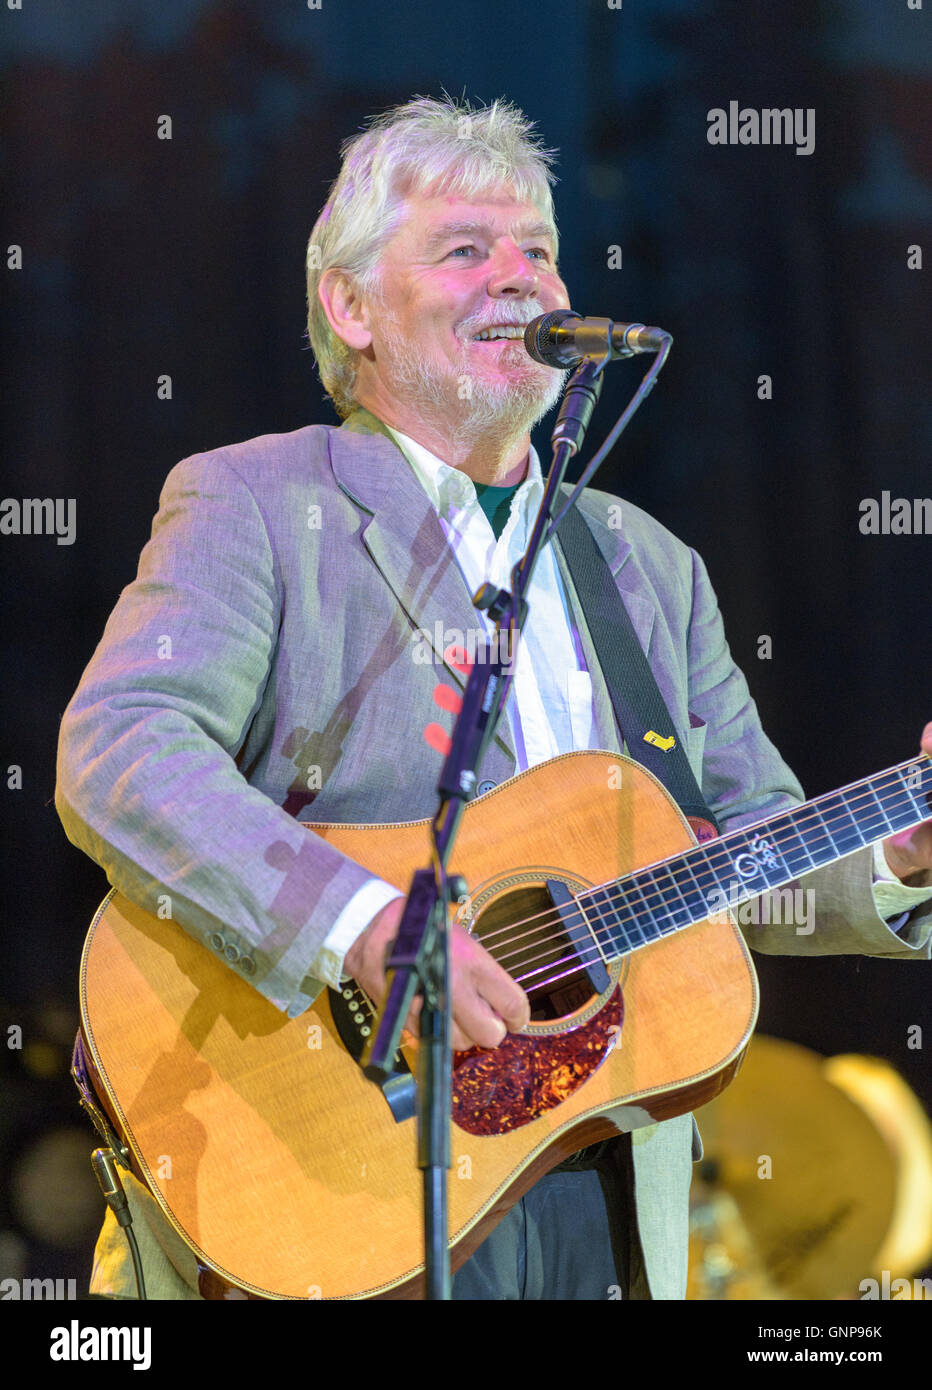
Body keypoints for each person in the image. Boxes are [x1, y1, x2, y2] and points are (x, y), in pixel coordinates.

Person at [56, 95, 932, 1301]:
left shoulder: (648, 565)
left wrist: (899, 846)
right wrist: (360, 923)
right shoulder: (253, 502)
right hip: (334, 1154)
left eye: (537, 248)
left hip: (603, 1176)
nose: (519, 278)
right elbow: (121, 749)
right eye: (465, 249)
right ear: (349, 307)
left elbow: (747, 861)